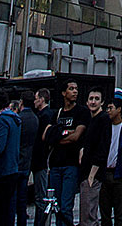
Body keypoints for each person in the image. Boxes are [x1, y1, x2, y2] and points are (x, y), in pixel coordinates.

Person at [46, 81, 88, 226]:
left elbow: (77, 136)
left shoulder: (81, 112)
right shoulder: (56, 113)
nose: (75, 91)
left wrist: (60, 135)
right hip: (56, 164)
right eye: (71, 89)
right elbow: (47, 136)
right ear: (64, 93)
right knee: (56, 206)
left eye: (76, 89)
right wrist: (65, 134)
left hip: (71, 164)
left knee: (65, 206)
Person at [96, 93, 122, 226]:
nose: (108, 111)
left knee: (119, 210)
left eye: (111, 108)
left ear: (119, 109)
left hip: (120, 173)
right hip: (104, 172)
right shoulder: (104, 126)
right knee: (104, 210)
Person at [0, 89, 25, 226]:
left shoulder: (2, 121)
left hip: (1, 172)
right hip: (11, 169)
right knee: (7, 212)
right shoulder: (14, 119)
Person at [78, 89, 109, 226]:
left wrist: (92, 174)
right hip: (86, 172)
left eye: (97, 98)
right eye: (91, 98)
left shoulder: (103, 119)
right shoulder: (92, 119)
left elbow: (102, 149)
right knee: (85, 213)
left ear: (102, 102)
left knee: (89, 215)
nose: (93, 101)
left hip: (93, 174)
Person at [31, 87, 57, 226]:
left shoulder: (45, 115)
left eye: (36, 98)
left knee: (41, 196)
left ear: (41, 99)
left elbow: (45, 138)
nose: (34, 101)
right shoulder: (42, 114)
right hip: (38, 159)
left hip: (41, 159)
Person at [18, 89, 43, 226]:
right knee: (22, 199)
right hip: (27, 161)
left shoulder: (19, 118)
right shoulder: (35, 119)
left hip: (17, 162)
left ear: (21, 102)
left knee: (14, 198)